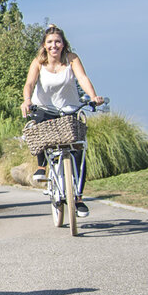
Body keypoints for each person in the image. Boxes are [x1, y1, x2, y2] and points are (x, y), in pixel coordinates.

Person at [20, 24, 104, 217]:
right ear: (44, 45)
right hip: (44, 108)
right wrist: (27, 100)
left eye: (57, 41)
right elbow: (29, 83)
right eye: (50, 42)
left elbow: (82, 78)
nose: (54, 45)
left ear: (63, 43)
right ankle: (42, 166)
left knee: (78, 150)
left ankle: (79, 198)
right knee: (38, 128)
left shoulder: (71, 59)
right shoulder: (39, 62)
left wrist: (93, 96)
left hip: (68, 110)